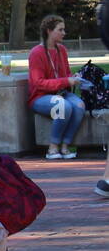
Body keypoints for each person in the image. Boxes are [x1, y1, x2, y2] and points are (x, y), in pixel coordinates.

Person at [28, 14, 85, 161]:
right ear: (49, 31)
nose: (64, 33)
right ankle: (53, 147)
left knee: (79, 105)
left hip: (61, 93)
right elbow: (38, 83)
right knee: (63, 106)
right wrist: (66, 81)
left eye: (63, 30)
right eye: (60, 30)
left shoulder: (62, 50)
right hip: (40, 97)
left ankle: (65, 146)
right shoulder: (36, 53)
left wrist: (74, 78)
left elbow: (66, 74)